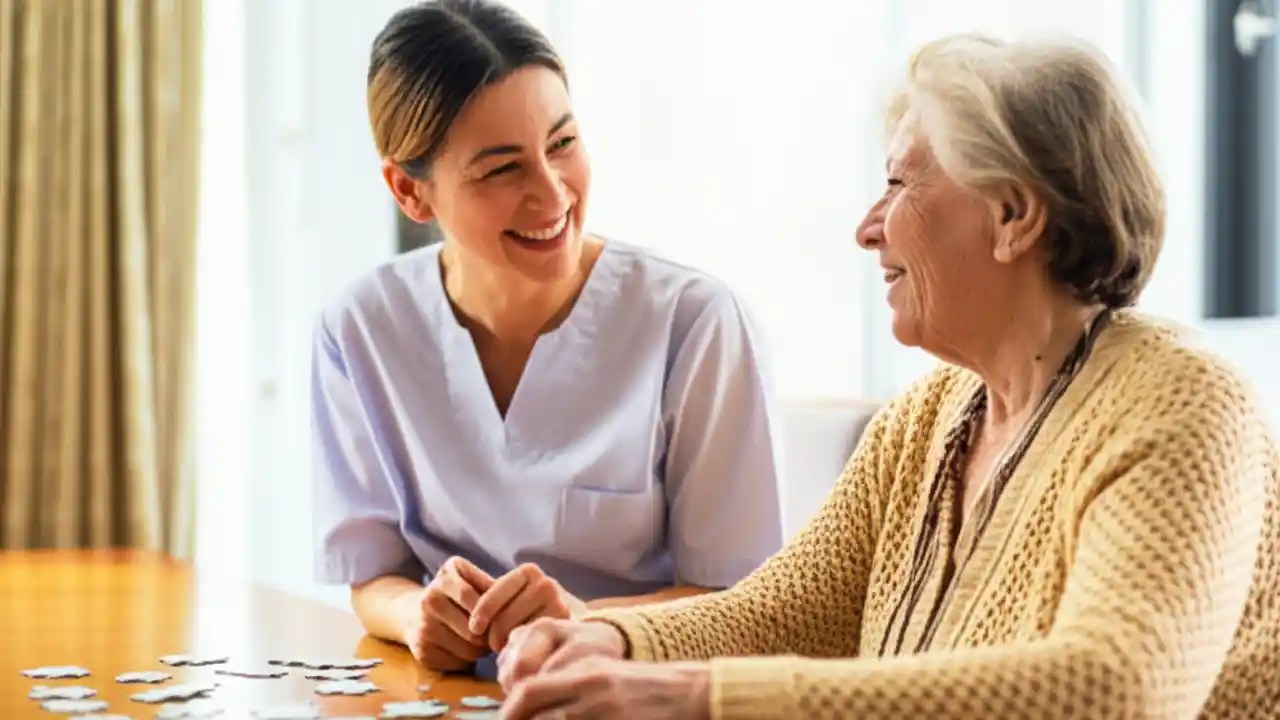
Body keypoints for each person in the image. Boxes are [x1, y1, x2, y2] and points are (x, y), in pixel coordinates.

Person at [495, 34, 1280, 720]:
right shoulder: (932, 415)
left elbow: (1115, 690)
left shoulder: (1184, 405)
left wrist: (703, 698)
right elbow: (790, 613)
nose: (868, 227)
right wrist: (609, 636)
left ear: (1013, 215)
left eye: (900, 185)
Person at [310, 0, 784, 672]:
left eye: (562, 143)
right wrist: (418, 614)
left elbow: (744, 606)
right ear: (410, 192)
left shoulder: (695, 324)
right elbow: (371, 575)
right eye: (502, 169)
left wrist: (587, 621)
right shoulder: (360, 328)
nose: (553, 194)